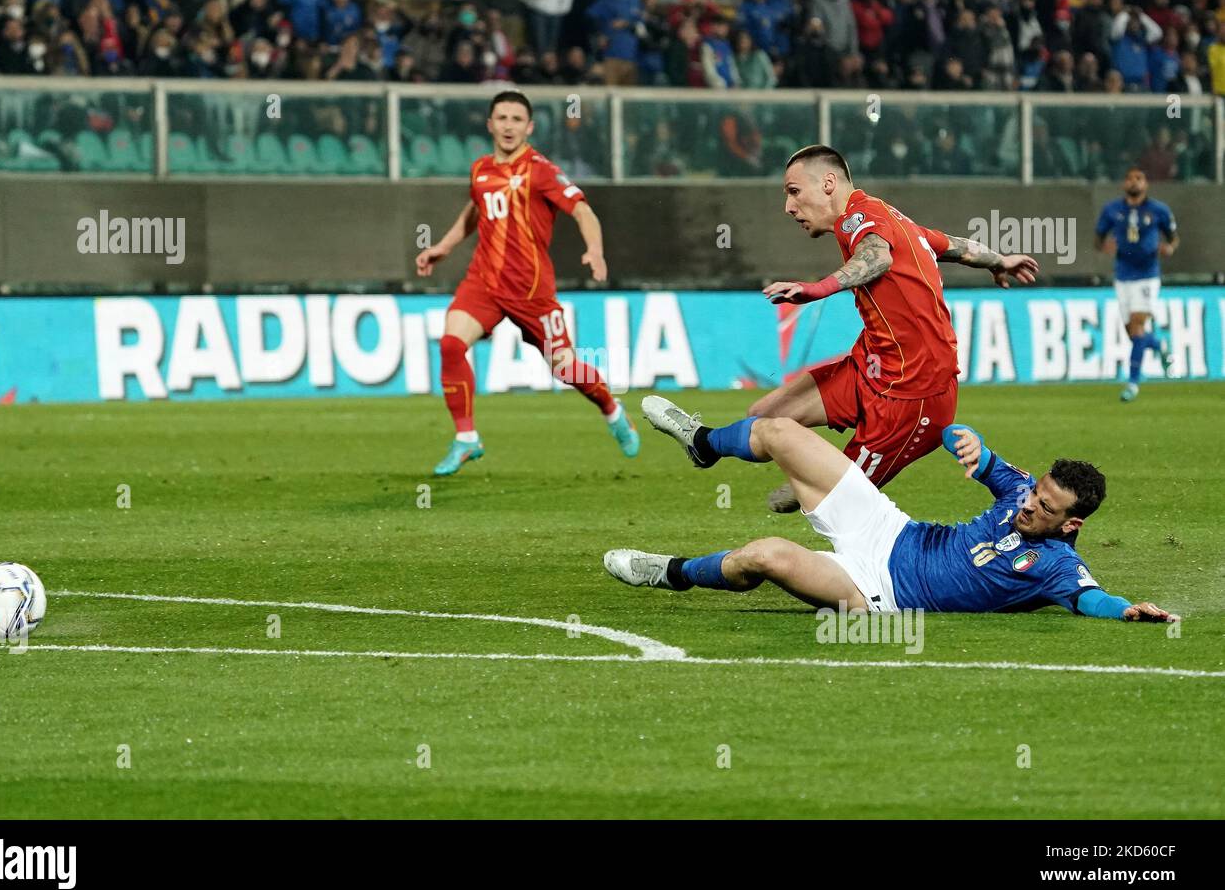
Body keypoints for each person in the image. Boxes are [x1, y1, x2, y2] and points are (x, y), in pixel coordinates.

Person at [605, 396, 1178, 627]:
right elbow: (956, 431)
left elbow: (1090, 598)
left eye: (1043, 506)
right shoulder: (1023, 489)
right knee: (780, 430)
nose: (1028, 503)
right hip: (887, 526)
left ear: (1071, 524)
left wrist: (1128, 610)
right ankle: (704, 443)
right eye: (1034, 492)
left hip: (879, 589)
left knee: (764, 555)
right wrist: (969, 438)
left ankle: (670, 573)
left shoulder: (1057, 566)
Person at [753, 145, 1039, 513]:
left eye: (793, 192)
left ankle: (836, 505)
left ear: (828, 183)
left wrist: (817, 288)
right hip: (878, 365)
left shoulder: (859, 219)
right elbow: (955, 246)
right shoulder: (891, 218)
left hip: (918, 387)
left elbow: (878, 257)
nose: (789, 207)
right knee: (763, 419)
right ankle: (729, 448)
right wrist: (999, 260)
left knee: (835, 503)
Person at [413, 90, 640, 475]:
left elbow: (582, 210)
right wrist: (443, 248)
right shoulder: (480, 169)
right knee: (451, 344)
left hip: (531, 291)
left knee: (565, 367)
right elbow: (476, 208)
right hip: (483, 282)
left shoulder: (541, 170)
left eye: (517, 119)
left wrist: (595, 250)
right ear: (490, 124)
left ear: (529, 127)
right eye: (501, 118)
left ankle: (612, 409)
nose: (508, 126)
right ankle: (467, 438)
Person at [1094, 167, 1178, 402]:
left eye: (1139, 178)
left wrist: (1169, 248)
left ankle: (1132, 384)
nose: (1134, 181)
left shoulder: (1159, 210)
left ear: (1146, 184)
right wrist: (1103, 246)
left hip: (1147, 275)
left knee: (1139, 327)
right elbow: (1098, 238)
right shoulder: (1111, 210)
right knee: (1134, 335)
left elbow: (1173, 237)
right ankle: (1159, 344)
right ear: (1124, 183)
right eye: (1130, 177)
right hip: (1123, 276)